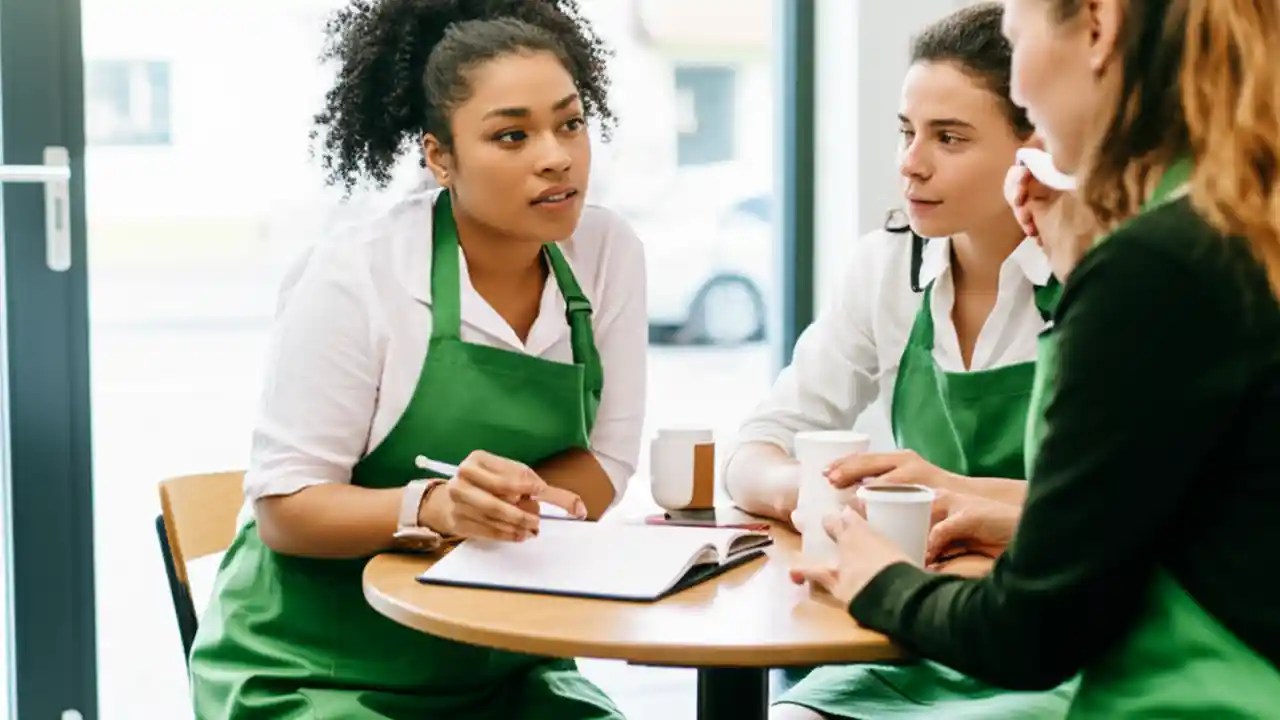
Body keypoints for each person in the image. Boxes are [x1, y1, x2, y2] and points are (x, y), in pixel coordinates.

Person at [793, 0, 1280, 717]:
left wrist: (881, 581)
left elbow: (1033, 633)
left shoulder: (1159, 267)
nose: (1020, 88)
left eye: (1016, 42)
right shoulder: (1232, 232)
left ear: (1097, 25)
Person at [187, 1, 648, 717]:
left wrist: (522, 508)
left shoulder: (608, 253)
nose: (555, 154)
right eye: (512, 135)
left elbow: (607, 460)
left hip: (503, 656)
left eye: (570, 122)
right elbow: (286, 509)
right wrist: (436, 506)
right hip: (311, 669)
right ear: (440, 158)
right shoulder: (358, 275)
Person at [723, 4, 1076, 717]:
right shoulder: (884, 268)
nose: (912, 163)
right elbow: (753, 449)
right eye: (907, 132)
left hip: (1054, 648)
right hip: (908, 643)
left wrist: (952, 490)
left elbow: (1133, 513)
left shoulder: (1094, 275)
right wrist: (808, 491)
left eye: (949, 138)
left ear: (1032, 143)